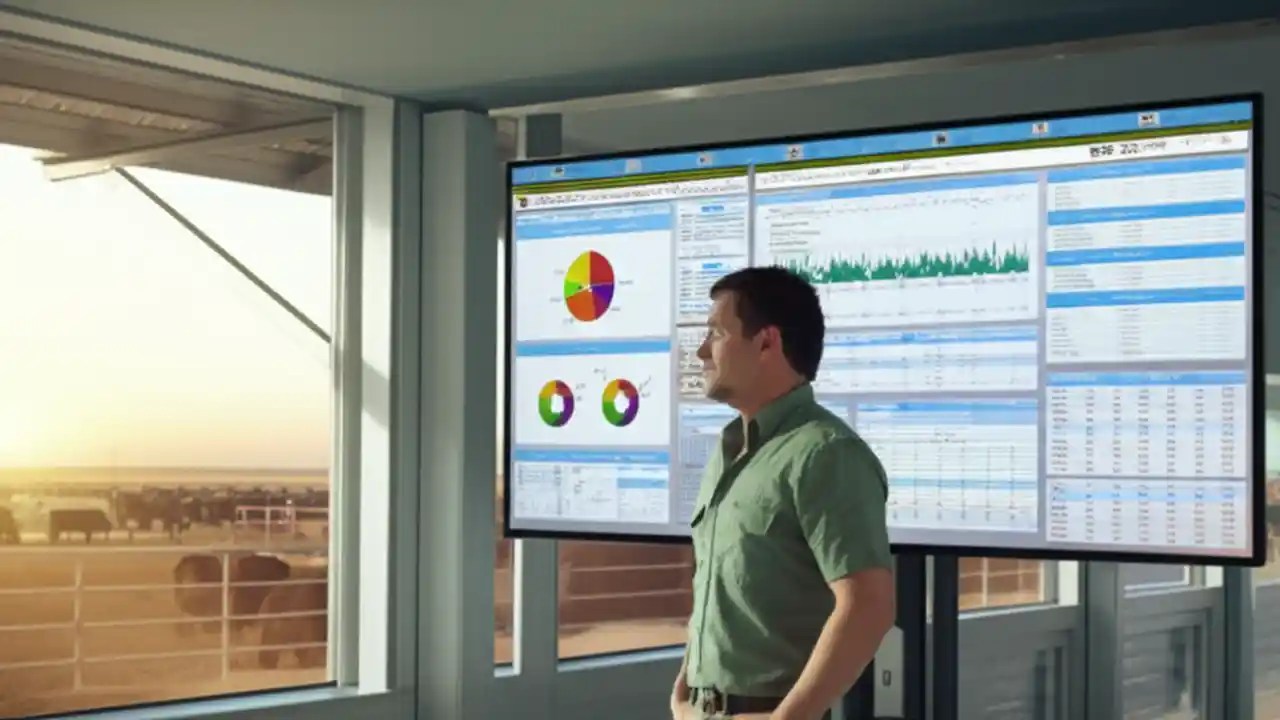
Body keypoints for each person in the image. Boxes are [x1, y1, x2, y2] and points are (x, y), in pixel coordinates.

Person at [671, 266, 895, 720]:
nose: (700, 352)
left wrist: (787, 719)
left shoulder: (826, 454)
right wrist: (684, 691)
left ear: (767, 342)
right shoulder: (729, 451)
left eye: (715, 333)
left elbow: (869, 606)